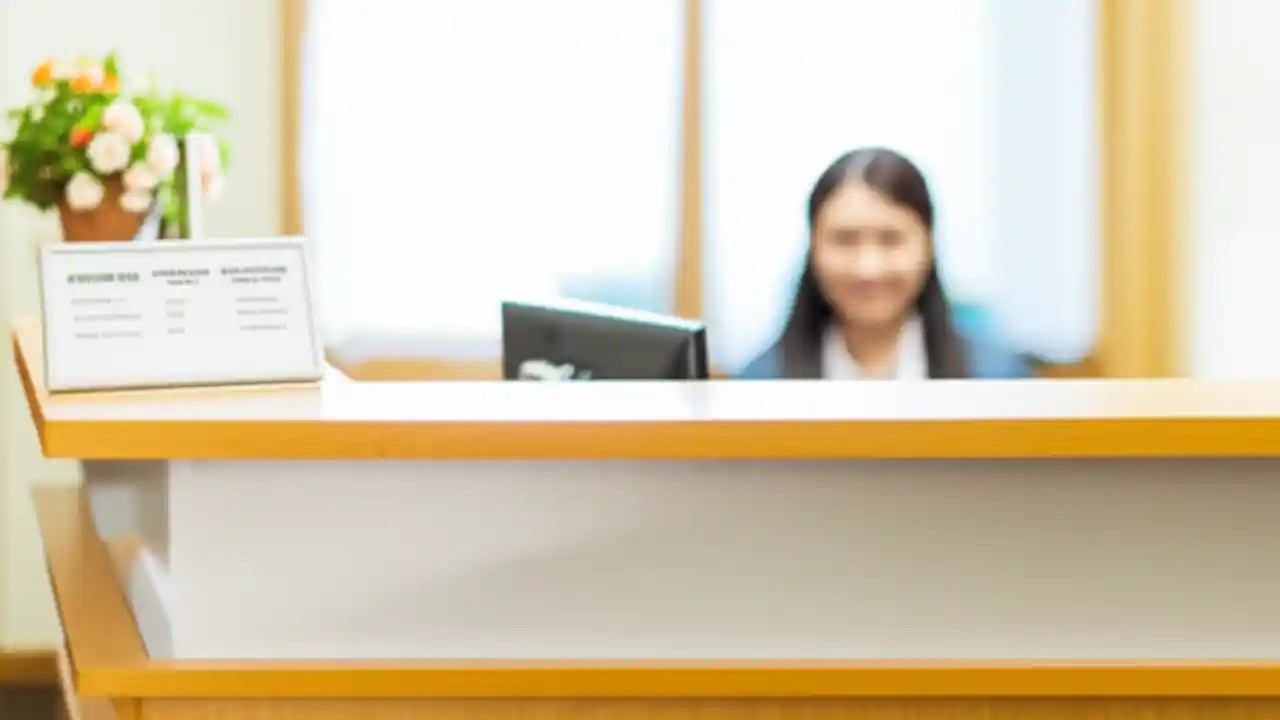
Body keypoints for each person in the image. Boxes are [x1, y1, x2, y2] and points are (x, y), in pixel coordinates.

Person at [740, 147, 1028, 380]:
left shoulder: (996, 377)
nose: (868, 267)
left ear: (928, 244)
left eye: (890, 239)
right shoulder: (760, 384)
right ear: (813, 247)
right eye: (845, 239)